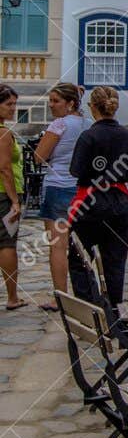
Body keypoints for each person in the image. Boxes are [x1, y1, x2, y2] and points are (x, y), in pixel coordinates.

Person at [68, 85, 128, 307]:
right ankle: (114, 310)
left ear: (93, 107)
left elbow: (76, 170)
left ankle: (89, 304)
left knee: (80, 260)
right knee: (115, 263)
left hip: (89, 204)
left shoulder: (88, 136)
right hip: (118, 203)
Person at [34, 83, 85, 308]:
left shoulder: (59, 124)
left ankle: (61, 297)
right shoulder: (87, 124)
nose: (51, 105)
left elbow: (39, 156)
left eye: (56, 101)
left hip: (58, 185)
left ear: (70, 103)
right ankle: (85, 293)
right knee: (81, 244)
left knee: (58, 246)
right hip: (80, 187)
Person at [0, 86, 25, 310]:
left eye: (15, 104)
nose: (13, 108)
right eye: (9, 104)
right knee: (7, 243)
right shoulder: (3, 133)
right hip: (3, 195)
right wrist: (14, 200)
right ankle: (12, 296)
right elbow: (5, 168)